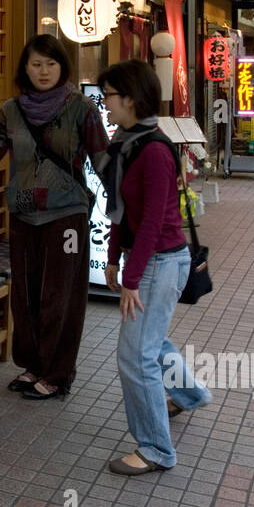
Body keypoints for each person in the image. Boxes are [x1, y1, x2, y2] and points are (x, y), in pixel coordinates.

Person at [0, 35, 110, 399]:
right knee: (26, 297)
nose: (43, 71)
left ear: (62, 67)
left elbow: (103, 160)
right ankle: (34, 365)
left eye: (50, 63)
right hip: (23, 215)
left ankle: (58, 374)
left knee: (59, 296)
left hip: (67, 215)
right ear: (25, 68)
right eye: (36, 64)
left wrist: (127, 207)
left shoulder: (81, 108)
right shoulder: (10, 110)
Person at [97, 60, 211, 476]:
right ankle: (189, 395)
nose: (104, 103)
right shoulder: (127, 142)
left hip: (161, 263)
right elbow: (121, 212)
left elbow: (151, 225)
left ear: (129, 98)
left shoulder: (156, 149)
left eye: (108, 95)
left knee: (135, 356)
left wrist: (130, 279)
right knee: (152, 342)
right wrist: (113, 257)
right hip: (148, 260)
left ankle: (156, 450)